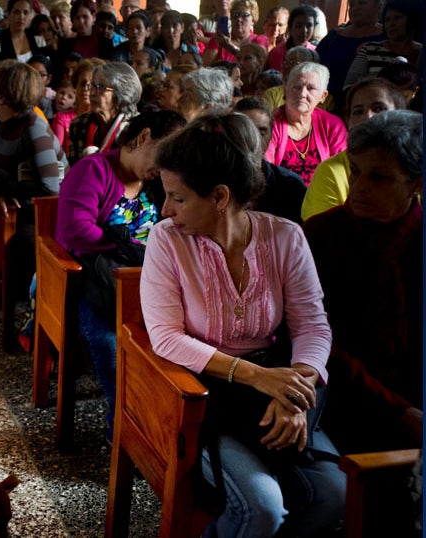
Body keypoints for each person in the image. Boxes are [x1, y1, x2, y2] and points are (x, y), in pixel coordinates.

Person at [142, 112, 345, 537]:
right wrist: (259, 377)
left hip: (275, 386)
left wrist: (294, 393)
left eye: (178, 198)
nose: (166, 210)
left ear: (219, 196)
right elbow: (165, 337)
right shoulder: (167, 241)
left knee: (332, 495)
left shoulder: (284, 237)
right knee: (262, 508)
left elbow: (312, 327)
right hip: (204, 393)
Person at [303, 110, 422, 535]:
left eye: (380, 177)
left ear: (417, 184)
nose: (360, 188)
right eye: (356, 173)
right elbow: (319, 342)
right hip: (343, 398)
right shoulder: (320, 236)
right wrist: (400, 410)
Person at [55, 110, 184, 438]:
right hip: (96, 285)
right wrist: (130, 248)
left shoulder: (155, 182)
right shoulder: (94, 170)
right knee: (111, 345)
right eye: (163, 154)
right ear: (143, 138)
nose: (165, 166)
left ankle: (159, 430)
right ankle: (125, 432)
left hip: (149, 282)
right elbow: (74, 230)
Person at [0, 59, 67, 346]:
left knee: (22, 245)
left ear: (4, 95)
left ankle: (32, 328)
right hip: (23, 207)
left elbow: (50, 188)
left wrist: (2, 189)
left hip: (53, 215)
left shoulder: (33, 127)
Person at [301, 78, 405, 220]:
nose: (367, 117)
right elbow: (327, 235)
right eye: (358, 111)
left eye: (379, 109)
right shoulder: (331, 172)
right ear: (348, 121)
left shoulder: (412, 166)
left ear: (400, 116)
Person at [266, 62, 346, 186]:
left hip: (322, 197)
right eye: (297, 87)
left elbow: (340, 172)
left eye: (311, 88)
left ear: (323, 96)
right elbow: (267, 171)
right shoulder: (270, 123)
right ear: (285, 90)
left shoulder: (333, 125)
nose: (302, 94)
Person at [233, 96, 307, 223]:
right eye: (246, 131)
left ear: (271, 134)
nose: (254, 139)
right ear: (232, 132)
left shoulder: (290, 186)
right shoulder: (215, 183)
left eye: (261, 132)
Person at [66, 61, 140, 164]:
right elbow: (73, 169)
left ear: (120, 92)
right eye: (92, 86)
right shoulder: (78, 124)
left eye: (100, 87)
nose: (91, 93)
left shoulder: (136, 129)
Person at [314, 0, 383, 110]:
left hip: (368, 107)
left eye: (362, 3)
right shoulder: (334, 36)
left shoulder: (387, 37)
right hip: (328, 105)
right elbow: (314, 65)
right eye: (352, 5)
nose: (355, 8)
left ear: (379, 6)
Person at [342, 0, 421, 90]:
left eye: (397, 18)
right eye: (387, 20)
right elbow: (349, 87)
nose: (391, 24)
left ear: (411, 19)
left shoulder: (421, 53)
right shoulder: (369, 49)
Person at [202, 0, 268, 65]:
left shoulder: (260, 40)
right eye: (235, 15)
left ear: (253, 20)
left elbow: (258, 63)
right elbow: (205, 65)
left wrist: (230, 46)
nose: (239, 19)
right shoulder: (219, 39)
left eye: (244, 15)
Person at [266, 5, 317, 72]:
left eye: (309, 26)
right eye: (298, 26)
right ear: (290, 28)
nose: (304, 30)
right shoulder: (276, 53)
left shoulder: (315, 53)